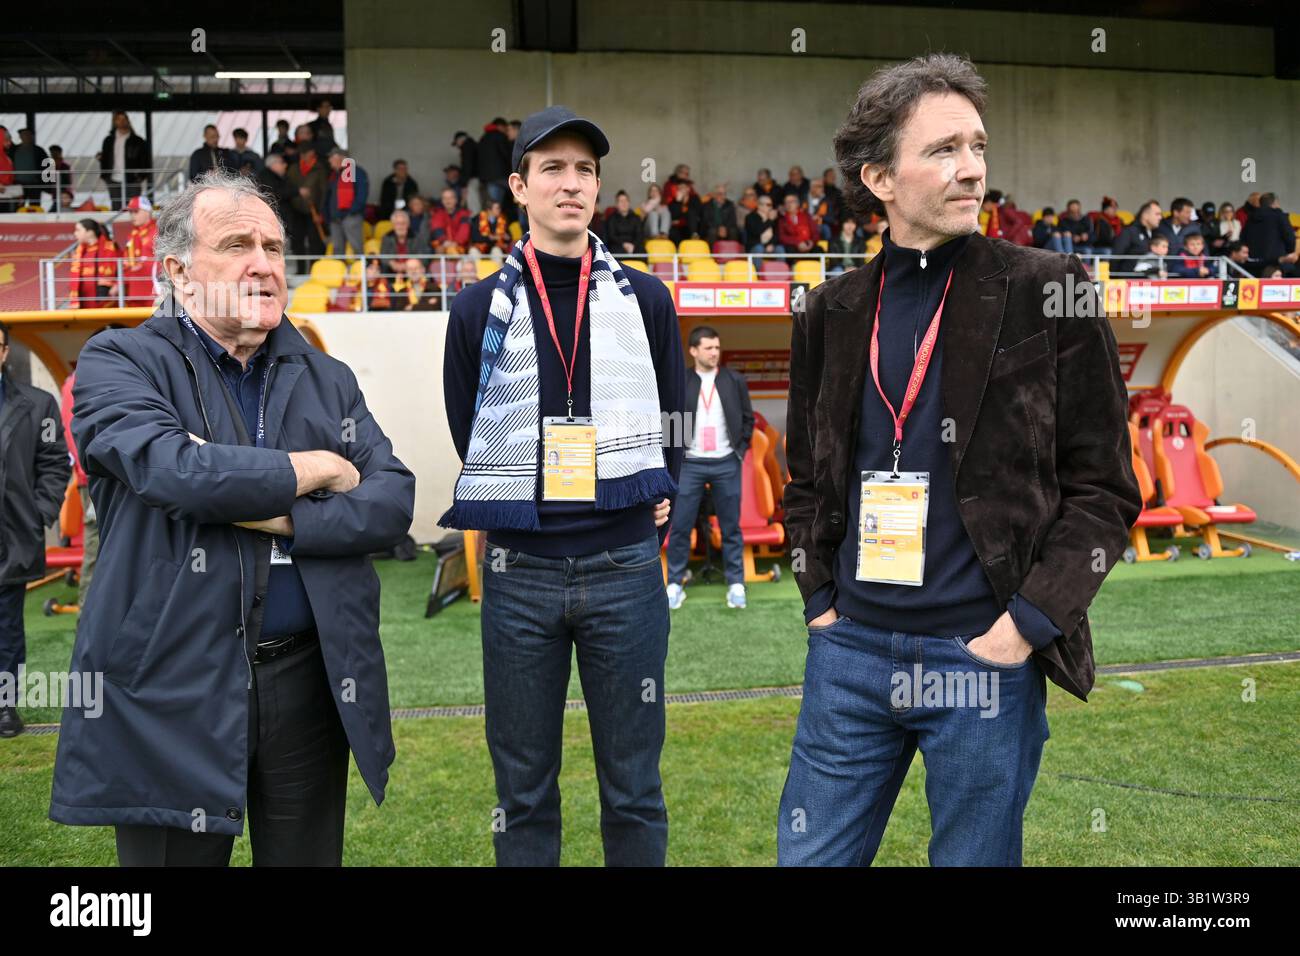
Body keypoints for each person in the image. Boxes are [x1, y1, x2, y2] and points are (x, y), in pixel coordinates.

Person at [779, 53, 1141, 867]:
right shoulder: (830, 311)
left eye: (977, 146)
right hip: (851, 656)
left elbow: (1106, 489)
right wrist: (820, 607)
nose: (971, 169)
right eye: (942, 150)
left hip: (983, 658)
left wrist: (1026, 629)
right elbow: (805, 479)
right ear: (878, 176)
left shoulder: (1050, 287)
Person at [50, 169, 415, 865]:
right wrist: (321, 471)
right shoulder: (117, 360)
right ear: (177, 272)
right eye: (238, 244)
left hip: (308, 683)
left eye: (275, 248)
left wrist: (276, 516)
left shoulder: (323, 376)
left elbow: (392, 501)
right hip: (170, 685)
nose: (264, 264)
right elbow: (176, 474)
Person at [439, 106, 685, 867]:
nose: (570, 184)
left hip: (626, 569)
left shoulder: (643, 298)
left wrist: (655, 480)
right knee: (522, 793)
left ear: (599, 187)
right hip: (519, 571)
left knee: (634, 789)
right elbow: (468, 425)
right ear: (519, 185)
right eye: (552, 169)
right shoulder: (479, 307)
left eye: (584, 170)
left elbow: (674, 413)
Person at [0, 321, 72, 738]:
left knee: (7, 625)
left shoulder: (38, 403)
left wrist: (39, 513)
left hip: (12, 534)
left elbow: (54, 464)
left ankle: (5, 707)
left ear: (6, 351)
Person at [665, 325, 754, 611]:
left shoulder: (733, 380)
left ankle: (736, 583)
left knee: (731, 526)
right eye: (708, 348)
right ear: (693, 351)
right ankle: (675, 583)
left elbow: (747, 419)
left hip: (726, 461)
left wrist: (739, 451)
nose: (715, 353)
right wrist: (675, 456)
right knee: (679, 525)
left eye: (717, 347)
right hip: (690, 463)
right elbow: (671, 419)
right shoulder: (682, 380)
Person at [286, 141, 328, 273]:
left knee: (315, 241)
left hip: (314, 210)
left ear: (312, 153)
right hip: (297, 210)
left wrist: (321, 212)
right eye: (302, 153)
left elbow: (325, 191)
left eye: (306, 153)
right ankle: (301, 269)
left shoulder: (320, 168)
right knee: (297, 241)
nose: (303, 156)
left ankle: (315, 270)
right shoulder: (293, 169)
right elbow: (289, 187)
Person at [99, 111, 152, 211]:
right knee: (116, 207)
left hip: (133, 179)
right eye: (118, 119)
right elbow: (105, 159)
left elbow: (145, 160)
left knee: (133, 206)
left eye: (124, 119)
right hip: (113, 179)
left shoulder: (138, 141)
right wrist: (105, 176)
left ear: (128, 121)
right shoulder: (108, 141)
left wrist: (141, 177)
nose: (122, 122)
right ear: (114, 122)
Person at [1240, 192, 1298, 277]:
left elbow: (1243, 238)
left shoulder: (1250, 219)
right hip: (1276, 265)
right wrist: (1289, 254)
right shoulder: (1279, 216)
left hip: (1255, 265)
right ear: (1275, 203)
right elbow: (1290, 238)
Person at [324, 147, 368, 258]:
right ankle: (340, 273)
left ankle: (360, 273)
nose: (329, 161)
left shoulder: (357, 172)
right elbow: (329, 196)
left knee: (357, 248)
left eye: (332, 158)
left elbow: (362, 195)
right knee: (337, 250)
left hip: (351, 217)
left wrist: (351, 212)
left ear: (342, 158)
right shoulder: (334, 175)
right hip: (335, 219)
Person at [69, 220, 119, 308]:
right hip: (83, 302)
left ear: (90, 232)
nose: (75, 233)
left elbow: (123, 269)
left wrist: (117, 285)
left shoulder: (111, 247)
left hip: (106, 300)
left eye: (78, 230)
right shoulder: (80, 251)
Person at [121, 196, 159, 308]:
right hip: (133, 290)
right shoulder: (132, 235)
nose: (132, 216)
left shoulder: (158, 231)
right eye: (130, 213)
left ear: (147, 212)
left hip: (154, 291)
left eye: (136, 212)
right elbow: (126, 261)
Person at [1112, 199, 1161, 273]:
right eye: (1157, 214)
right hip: (1128, 280)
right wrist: (1115, 278)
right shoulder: (1128, 232)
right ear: (1145, 215)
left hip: (1151, 280)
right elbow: (1116, 258)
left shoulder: (1157, 233)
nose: (1160, 217)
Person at [13, 128, 49, 207]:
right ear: (20, 137)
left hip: (34, 183)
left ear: (32, 136)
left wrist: (42, 180)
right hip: (18, 183)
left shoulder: (39, 150)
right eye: (23, 135)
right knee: (18, 205)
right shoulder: (14, 150)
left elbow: (46, 166)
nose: (26, 137)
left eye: (28, 134)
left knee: (35, 205)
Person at [430, 187, 470, 255]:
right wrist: (445, 242)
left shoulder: (464, 214)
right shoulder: (437, 214)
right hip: (443, 245)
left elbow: (464, 231)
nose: (447, 200)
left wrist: (456, 243)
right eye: (445, 198)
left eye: (450, 198)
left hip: (460, 246)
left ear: (456, 200)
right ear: (442, 201)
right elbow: (437, 230)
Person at [605, 189, 646, 255]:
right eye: (621, 201)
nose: (624, 203)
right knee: (613, 250)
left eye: (626, 200)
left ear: (629, 202)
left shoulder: (636, 218)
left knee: (642, 250)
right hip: (618, 246)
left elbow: (639, 235)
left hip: (634, 246)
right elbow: (611, 236)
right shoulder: (611, 219)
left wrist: (633, 245)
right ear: (616, 204)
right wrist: (624, 244)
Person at [744, 194, 784, 259]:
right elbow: (756, 231)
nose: (771, 207)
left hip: (769, 246)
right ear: (759, 205)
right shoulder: (750, 217)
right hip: (755, 246)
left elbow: (777, 234)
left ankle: (781, 269)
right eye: (768, 205)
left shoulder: (774, 218)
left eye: (771, 205)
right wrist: (769, 220)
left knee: (780, 248)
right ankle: (757, 269)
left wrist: (771, 244)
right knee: (759, 248)